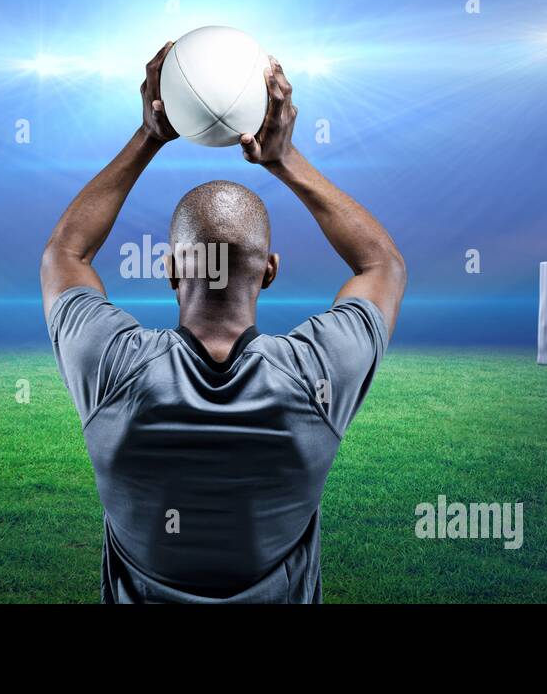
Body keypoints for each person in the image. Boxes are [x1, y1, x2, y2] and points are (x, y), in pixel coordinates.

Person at [40, 43, 406, 603]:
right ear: (270, 272)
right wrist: (285, 159)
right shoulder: (316, 376)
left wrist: (150, 136)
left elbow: (66, 254)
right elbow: (382, 264)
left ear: (169, 271)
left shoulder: (113, 367)